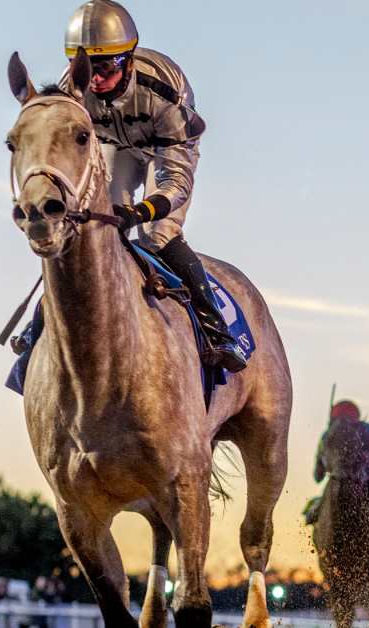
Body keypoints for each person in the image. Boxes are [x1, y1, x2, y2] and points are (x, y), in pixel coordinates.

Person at [58, 0, 245, 372]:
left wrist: (141, 211)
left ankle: (217, 331)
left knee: (155, 234)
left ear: (127, 59)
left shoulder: (162, 90)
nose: (94, 80)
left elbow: (176, 181)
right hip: (113, 144)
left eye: (105, 67)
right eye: (84, 68)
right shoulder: (72, 92)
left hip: (167, 149)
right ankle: (40, 330)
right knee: (97, 229)